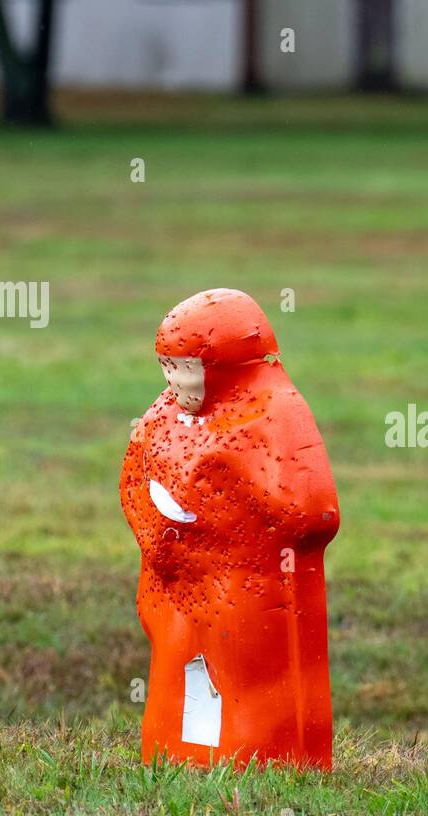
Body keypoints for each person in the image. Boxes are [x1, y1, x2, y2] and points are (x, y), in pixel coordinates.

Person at [121, 289, 339, 770]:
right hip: (179, 581)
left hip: (247, 584)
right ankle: (175, 752)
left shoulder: (274, 412)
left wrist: (226, 495)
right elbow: (136, 479)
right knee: (178, 667)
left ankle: (255, 760)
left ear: (224, 365)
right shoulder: (164, 415)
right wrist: (157, 538)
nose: (176, 382)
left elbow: (313, 511)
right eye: (167, 366)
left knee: (246, 677)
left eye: (187, 367)